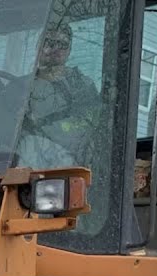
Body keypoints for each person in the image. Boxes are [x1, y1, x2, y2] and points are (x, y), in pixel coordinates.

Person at [18, 21, 102, 167]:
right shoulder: (19, 87)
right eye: (48, 42)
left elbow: (89, 127)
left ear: (69, 50)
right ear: (38, 46)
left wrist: (48, 130)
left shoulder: (83, 87)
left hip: (71, 159)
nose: (55, 48)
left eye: (62, 44)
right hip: (26, 158)